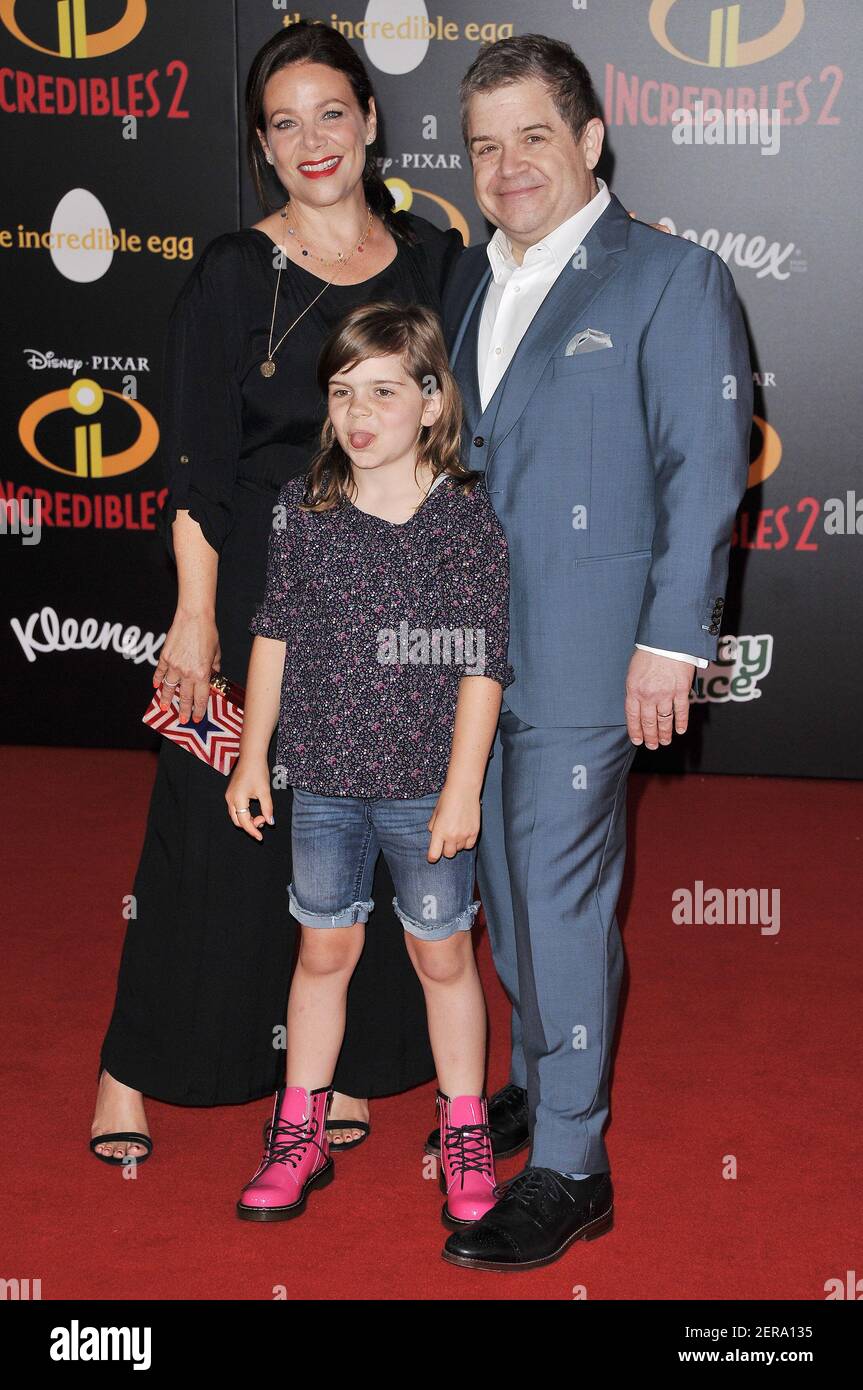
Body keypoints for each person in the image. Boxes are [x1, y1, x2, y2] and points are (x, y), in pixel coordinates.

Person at [90, 22, 465, 1165]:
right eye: (284, 122)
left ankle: (347, 1060)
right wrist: (195, 615)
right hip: (256, 587)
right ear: (261, 144)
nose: (311, 140)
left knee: (363, 831)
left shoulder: (433, 264)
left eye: (330, 113)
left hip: (392, 597)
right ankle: (130, 1072)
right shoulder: (229, 274)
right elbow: (197, 461)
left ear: (369, 121)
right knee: (208, 838)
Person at [435, 35, 752, 1271]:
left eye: (530, 137)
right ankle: (531, 1071)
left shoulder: (670, 277)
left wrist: (671, 643)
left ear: (587, 140)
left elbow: (703, 470)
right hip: (465, 655)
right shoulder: (464, 278)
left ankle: (572, 1163)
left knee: (559, 899)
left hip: (587, 650)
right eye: (482, 146)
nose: (506, 166)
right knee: (503, 895)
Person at [225, 301, 514, 1228]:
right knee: (324, 951)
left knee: (441, 959)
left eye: (384, 392)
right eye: (343, 392)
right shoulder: (303, 507)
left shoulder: (464, 519)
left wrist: (462, 788)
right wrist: (250, 757)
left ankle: (464, 1126)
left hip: (426, 789)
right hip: (324, 783)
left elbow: (480, 662)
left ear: (432, 403)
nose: (358, 413)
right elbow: (272, 634)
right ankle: (298, 1131)